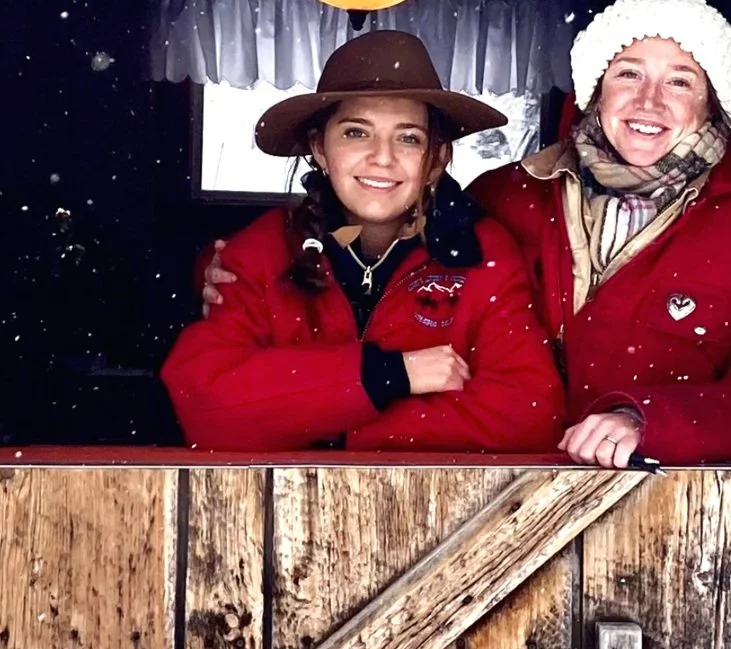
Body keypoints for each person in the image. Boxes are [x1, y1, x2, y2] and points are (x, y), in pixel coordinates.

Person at [471, 0, 731, 465]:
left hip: (663, 503)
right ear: (596, 92)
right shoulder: (505, 196)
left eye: (680, 82)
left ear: (713, 107)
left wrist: (648, 421)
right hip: (493, 488)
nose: (649, 101)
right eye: (629, 73)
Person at [163, 31, 565, 453]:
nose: (383, 157)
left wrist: (320, 421)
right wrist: (390, 375)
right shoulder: (261, 251)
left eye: (408, 137)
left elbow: (531, 413)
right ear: (320, 148)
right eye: (357, 133)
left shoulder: (484, 255)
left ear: (436, 160)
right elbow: (204, 403)